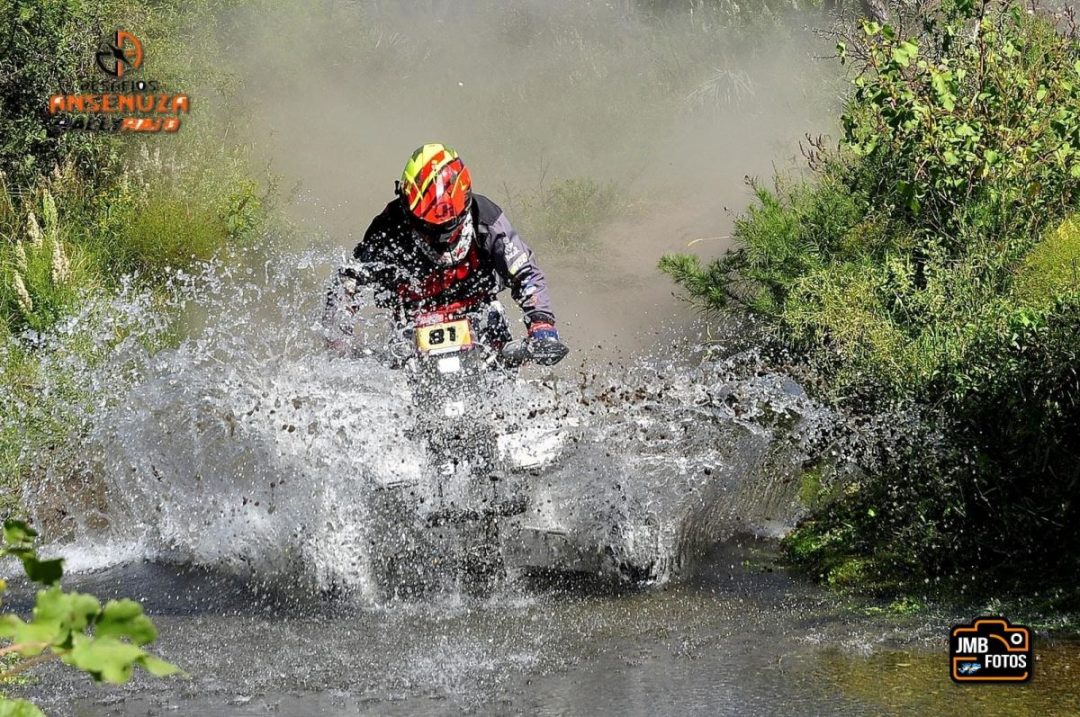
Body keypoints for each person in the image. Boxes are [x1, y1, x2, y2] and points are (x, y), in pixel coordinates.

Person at [324, 143, 568, 365]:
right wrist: (338, 336)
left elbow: (524, 272)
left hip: (481, 322)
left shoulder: (486, 219)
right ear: (407, 205)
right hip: (412, 331)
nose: (439, 236)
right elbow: (350, 278)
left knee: (505, 389)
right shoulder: (389, 227)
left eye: (447, 226)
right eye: (429, 226)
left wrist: (541, 325)